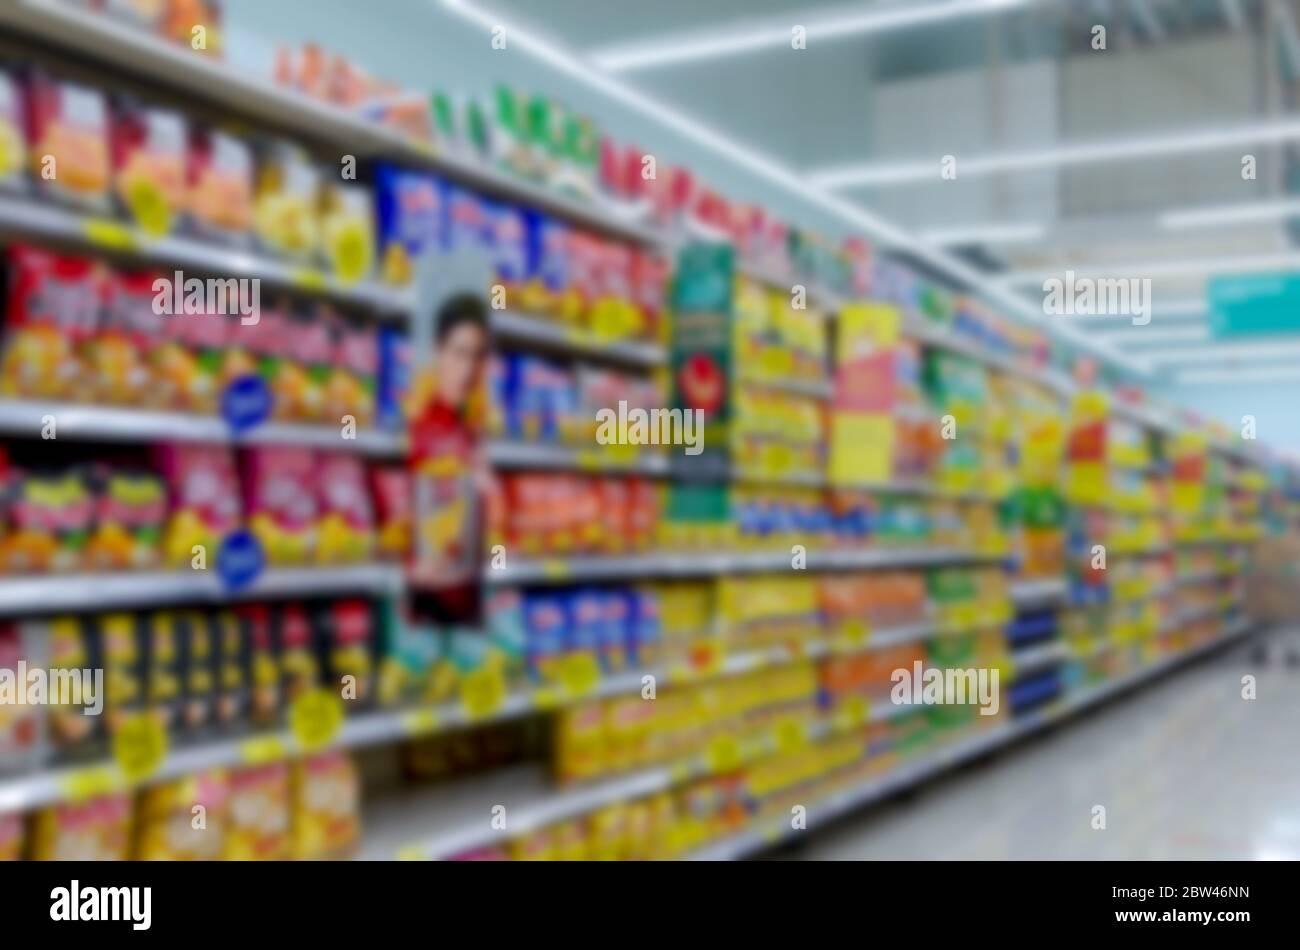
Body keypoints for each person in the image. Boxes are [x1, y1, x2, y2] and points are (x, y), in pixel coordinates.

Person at [407, 293, 492, 620]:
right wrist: (411, 572)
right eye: (459, 353)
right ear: (437, 353)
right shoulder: (416, 423)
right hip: (425, 607)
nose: (468, 369)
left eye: (476, 356)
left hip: (471, 603)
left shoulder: (475, 428)